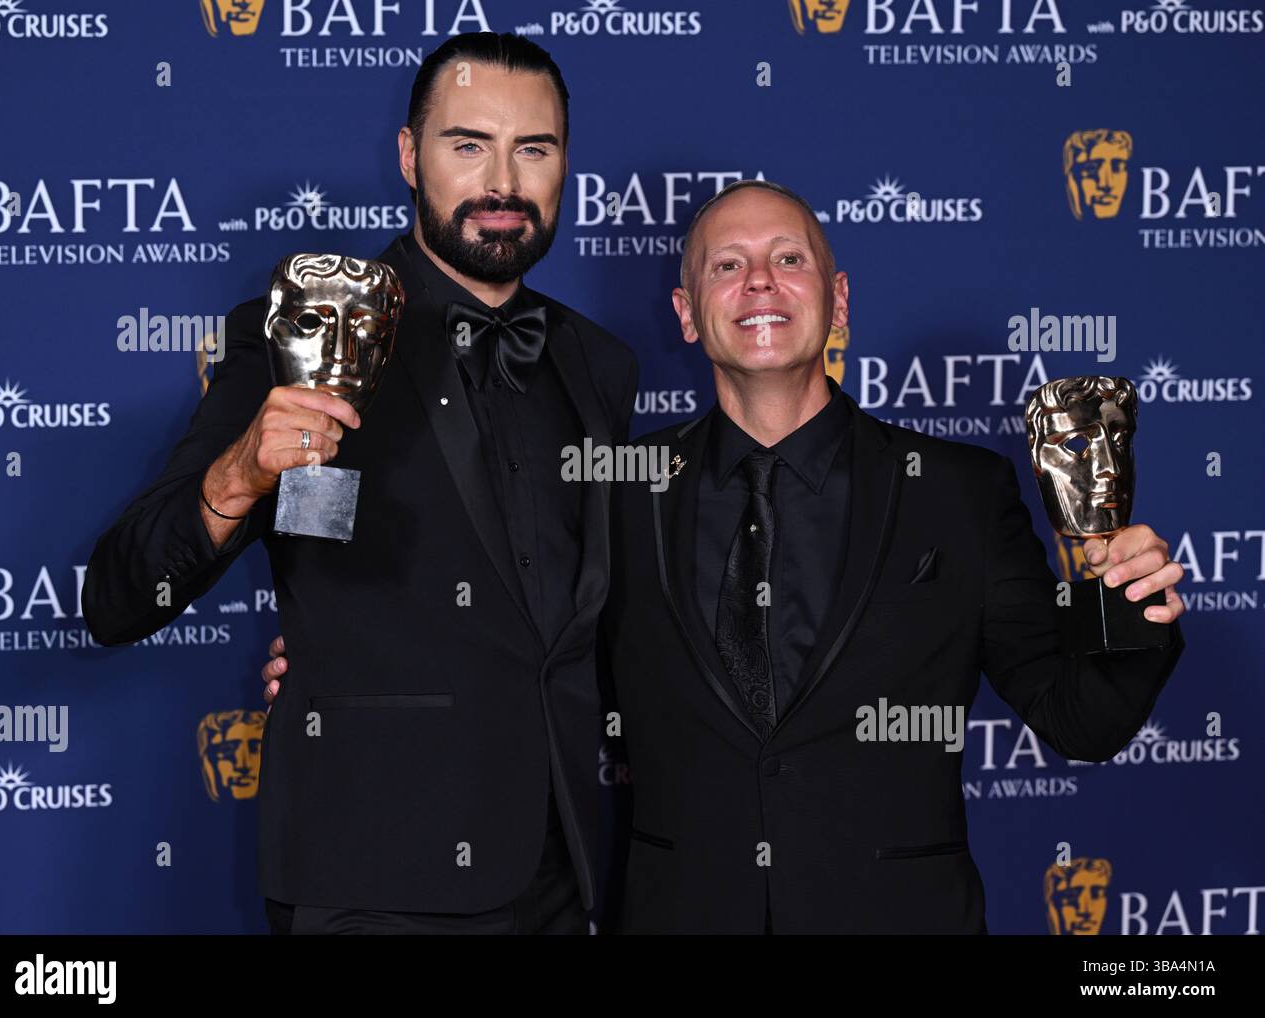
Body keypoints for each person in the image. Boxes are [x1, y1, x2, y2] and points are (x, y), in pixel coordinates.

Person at [261, 179, 1186, 934]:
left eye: (790, 261)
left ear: (839, 298)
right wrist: (343, 656)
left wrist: (1125, 608)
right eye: (728, 267)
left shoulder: (958, 489)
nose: (761, 285)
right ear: (688, 313)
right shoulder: (616, 491)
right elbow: (521, 650)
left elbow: (1080, 721)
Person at [83, 32, 637, 935]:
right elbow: (115, 599)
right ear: (410, 157)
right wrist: (240, 475)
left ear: (565, 163)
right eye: (469, 145)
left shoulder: (599, 365)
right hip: (373, 875)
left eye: (532, 148)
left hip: (563, 870)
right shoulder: (297, 335)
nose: (503, 181)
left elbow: (592, 619)